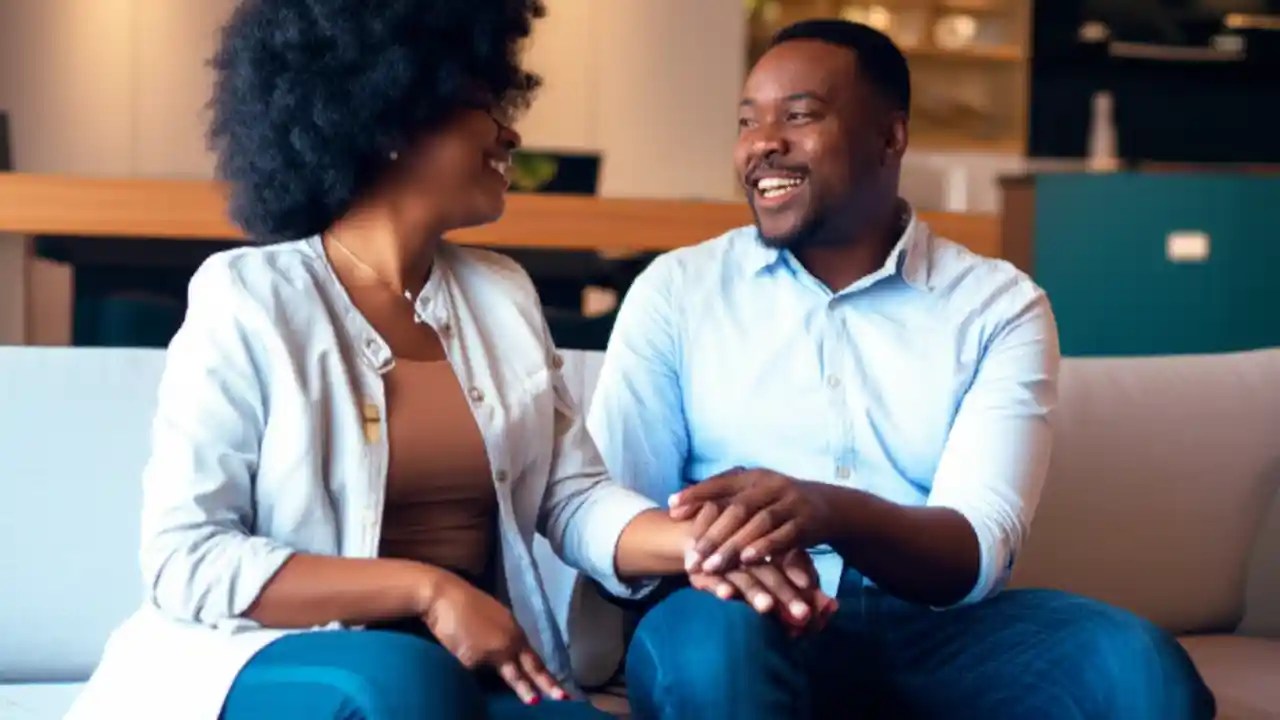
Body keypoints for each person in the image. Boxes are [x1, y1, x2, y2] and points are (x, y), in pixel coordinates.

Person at [65, 2, 833, 719]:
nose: (510, 135)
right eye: (485, 107)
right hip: (268, 656)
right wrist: (427, 590)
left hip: (465, 669)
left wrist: (709, 547)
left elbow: (572, 499)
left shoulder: (501, 294)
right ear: (394, 116)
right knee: (403, 681)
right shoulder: (250, 298)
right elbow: (187, 557)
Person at [588, 18, 1216, 720]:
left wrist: (828, 511)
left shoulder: (998, 305)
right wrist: (720, 551)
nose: (762, 142)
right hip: (738, 608)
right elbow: (614, 518)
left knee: (1142, 672)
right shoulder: (678, 291)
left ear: (890, 138)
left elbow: (975, 550)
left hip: (938, 628)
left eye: (799, 115)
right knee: (714, 660)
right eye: (747, 121)